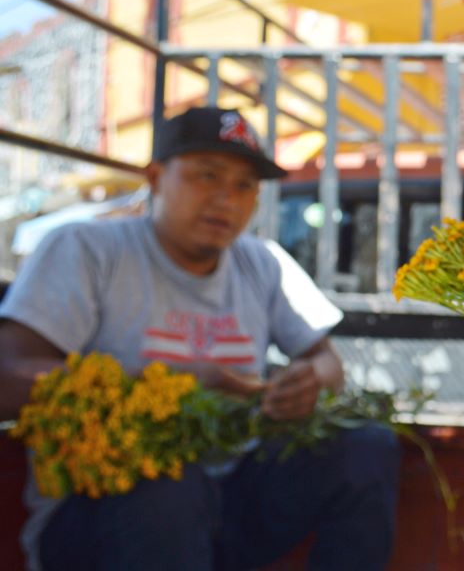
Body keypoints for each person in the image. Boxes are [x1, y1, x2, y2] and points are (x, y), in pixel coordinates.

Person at [0, 107, 401, 571]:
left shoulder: (263, 262)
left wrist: (307, 382)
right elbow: (9, 377)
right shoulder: (87, 251)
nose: (226, 199)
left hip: (226, 505)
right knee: (167, 480)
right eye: (207, 175)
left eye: (245, 185)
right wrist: (173, 385)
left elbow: (327, 362)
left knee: (366, 447)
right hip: (99, 517)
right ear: (155, 177)